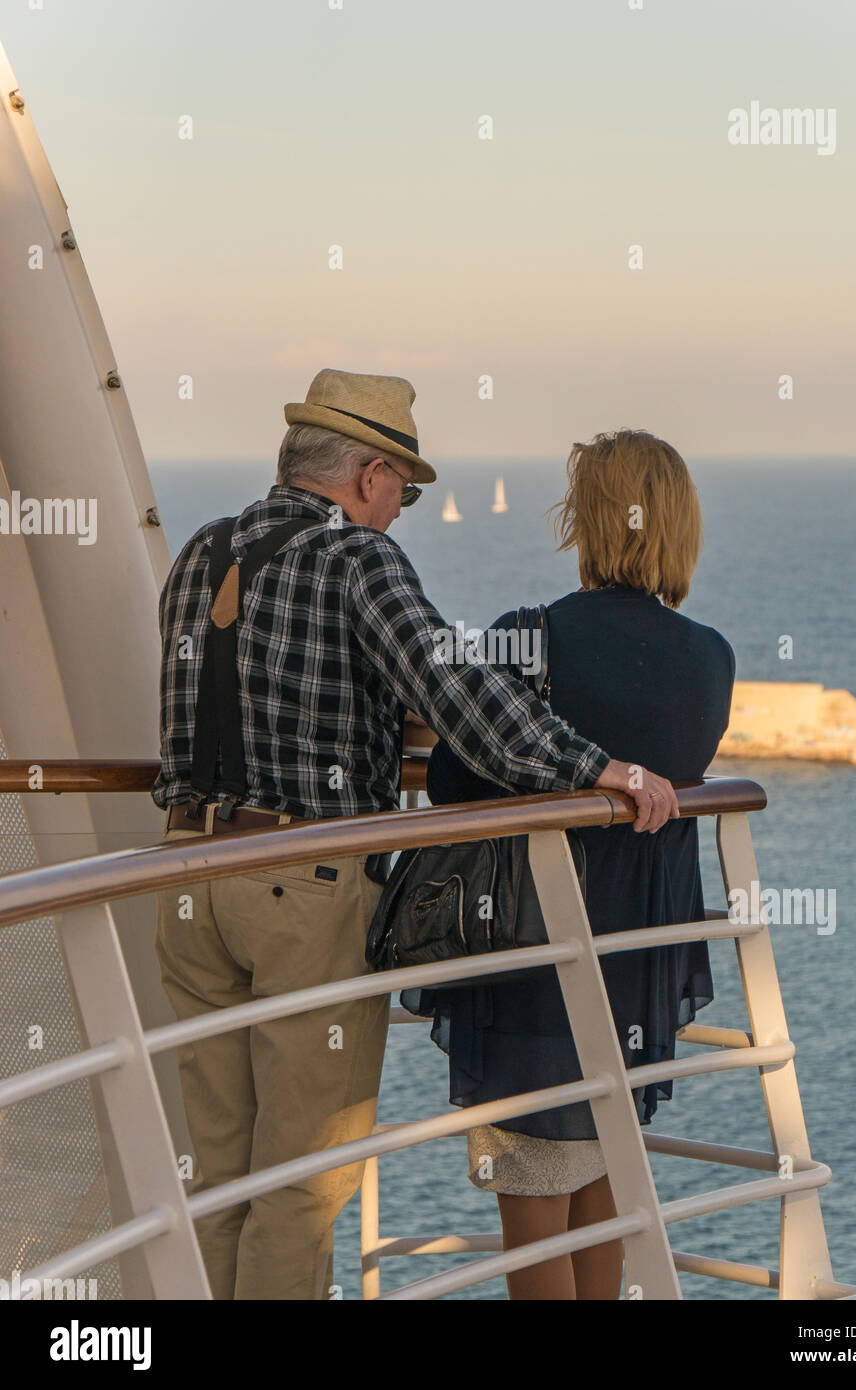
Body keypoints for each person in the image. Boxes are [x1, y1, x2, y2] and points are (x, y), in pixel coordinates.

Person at [152, 370, 678, 1300]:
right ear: (367, 473)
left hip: (188, 876)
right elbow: (462, 697)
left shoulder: (201, 551)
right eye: (405, 487)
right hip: (302, 882)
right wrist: (601, 770)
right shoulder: (358, 559)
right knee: (299, 1186)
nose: (403, 509)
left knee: (219, 1169)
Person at [401, 429, 736, 1301]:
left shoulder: (528, 639)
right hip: (638, 957)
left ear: (585, 523)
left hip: (535, 949)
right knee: (601, 1180)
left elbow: (449, 779)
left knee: (530, 1204)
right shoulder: (710, 659)